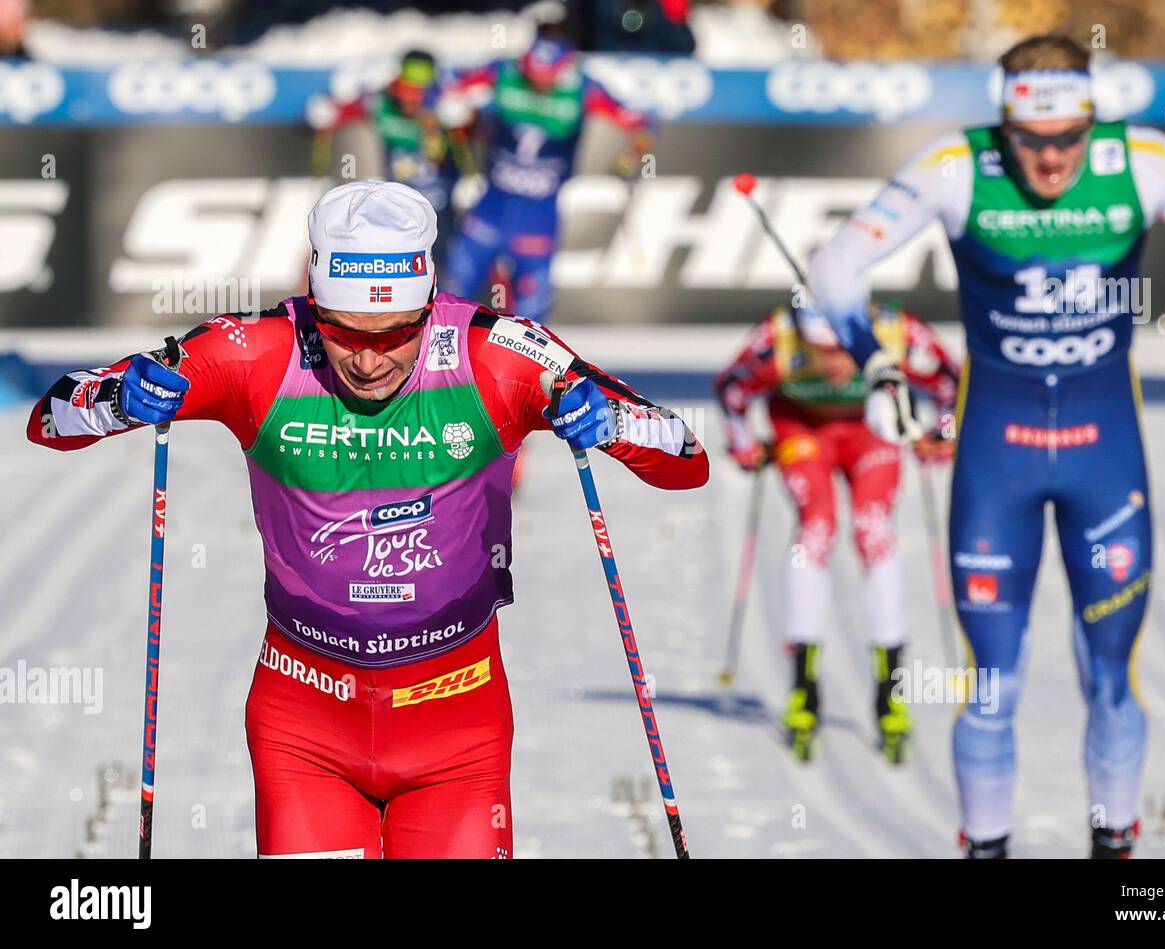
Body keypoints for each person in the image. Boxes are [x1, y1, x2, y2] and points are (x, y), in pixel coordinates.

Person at [27, 180, 708, 859]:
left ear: (430, 302)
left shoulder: (499, 352)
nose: (369, 358)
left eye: (396, 334)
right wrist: (120, 398)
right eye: (344, 332)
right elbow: (51, 417)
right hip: (305, 730)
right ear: (315, 303)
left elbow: (686, 453)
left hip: (457, 734)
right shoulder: (256, 349)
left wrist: (613, 421)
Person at [808, 34, 1165, 859]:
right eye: (1034, 141)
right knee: (990, 686)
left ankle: (1116, 851)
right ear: (1006, 125)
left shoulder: (1143, 160)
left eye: (1070, 137)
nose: (1054, 158)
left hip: (1105, 456)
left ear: (1091, 119)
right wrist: (876, 363)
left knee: (1110, 678)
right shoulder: (958, 165)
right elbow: (835, 266)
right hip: (999, 457)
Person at [714, 300, 959, 763]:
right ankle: (804, 689)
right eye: (820, 350)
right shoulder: (778, 336)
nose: (834, 362)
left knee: (873, 530)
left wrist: (942, 434)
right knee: (817, 529)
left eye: (845, 349)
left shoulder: (896, 331)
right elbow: (731, 387)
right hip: (802, 426)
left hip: (872, 425)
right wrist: (744, 445)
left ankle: (890, 692)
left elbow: (953, 380)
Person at [439, 22, 653, 323]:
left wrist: (629, 159)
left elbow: (643, 121)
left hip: (538, 220)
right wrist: (461, 116)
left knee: (532, 319)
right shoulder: (503, 71)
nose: (539, 85)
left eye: (547, 79)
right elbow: (442, 86)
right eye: (533, 76)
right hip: (490, 209)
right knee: (450, 294)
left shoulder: (583, 87)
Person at [306, 50, 471, 270]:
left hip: (439, 206)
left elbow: (477, 124)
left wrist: (467, 119)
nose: (412, 102)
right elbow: (346, 110)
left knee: (442, 267)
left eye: (419, 95)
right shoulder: (382, 102)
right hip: (397, 204)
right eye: (407, 92)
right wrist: (330, 110)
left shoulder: (445, 103)